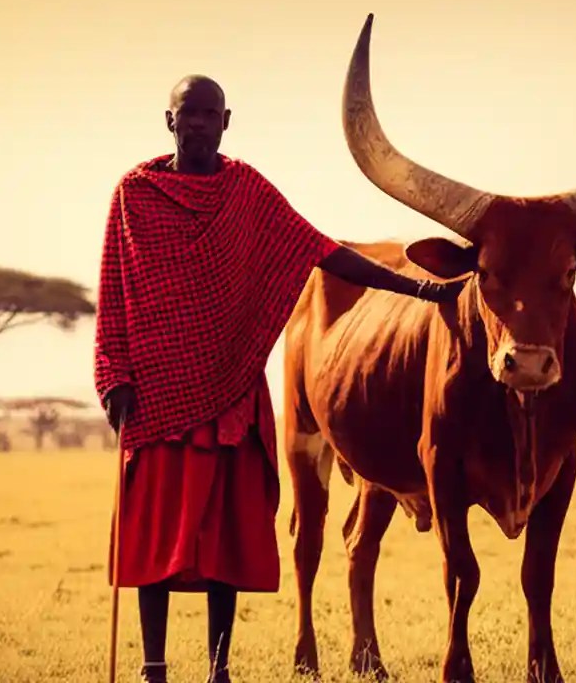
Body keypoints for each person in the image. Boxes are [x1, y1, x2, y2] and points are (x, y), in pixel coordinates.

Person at [94, 74, 463, 683]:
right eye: (187, 114)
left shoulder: (247, 192)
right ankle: (153, 667)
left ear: (226, 121)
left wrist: (417, 287)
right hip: (155, 395)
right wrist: (112, 374)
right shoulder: (136, 194)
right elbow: (113, 287)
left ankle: (219, 669)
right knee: (153, 540)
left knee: (222, 542)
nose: (198, 124)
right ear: (169, 121)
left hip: (228, 392)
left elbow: (317, 248)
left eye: (209, 114)